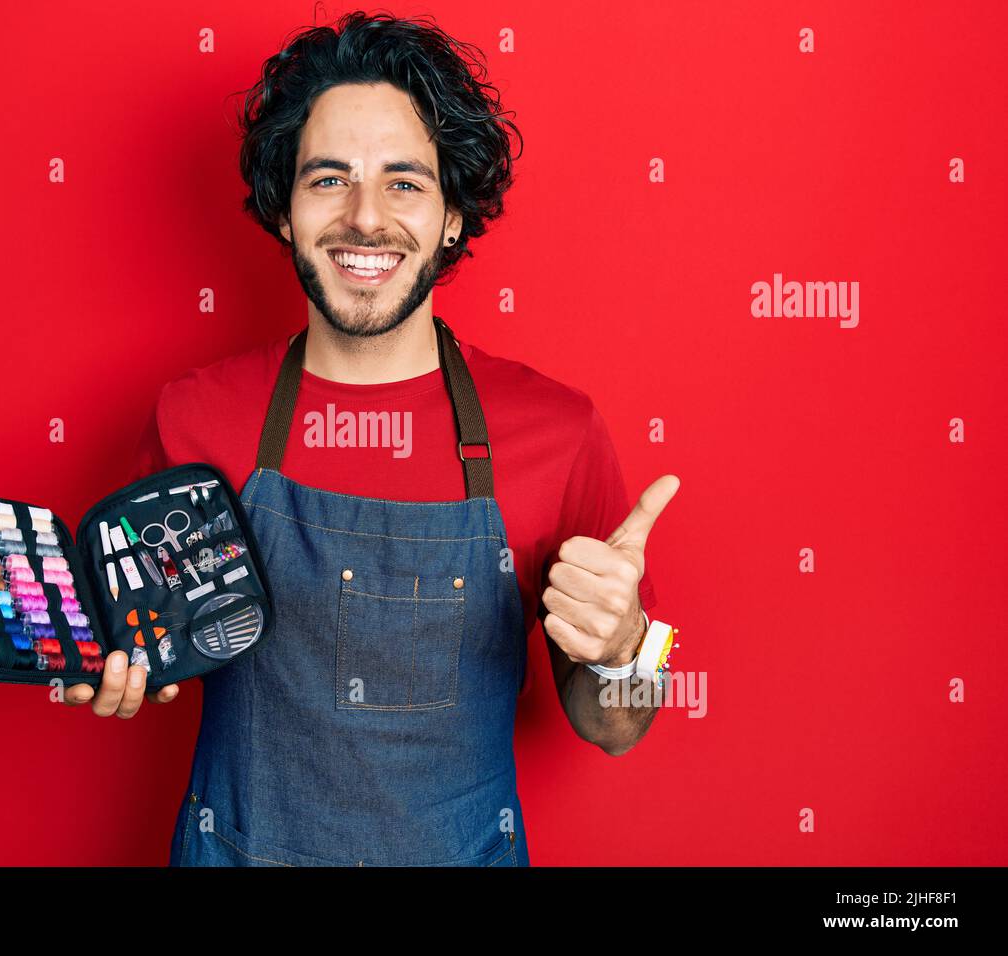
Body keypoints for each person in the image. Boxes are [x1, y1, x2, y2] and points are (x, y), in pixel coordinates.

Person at [63, 11, 679, 866]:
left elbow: (620, 726)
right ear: (284, 211)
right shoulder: (193, 417)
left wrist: (627, 648)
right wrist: (114, 660)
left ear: (452, 216)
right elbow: (142, 640)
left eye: (403, 182)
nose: (364, 218)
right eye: (327, 180)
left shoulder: (560, 433)